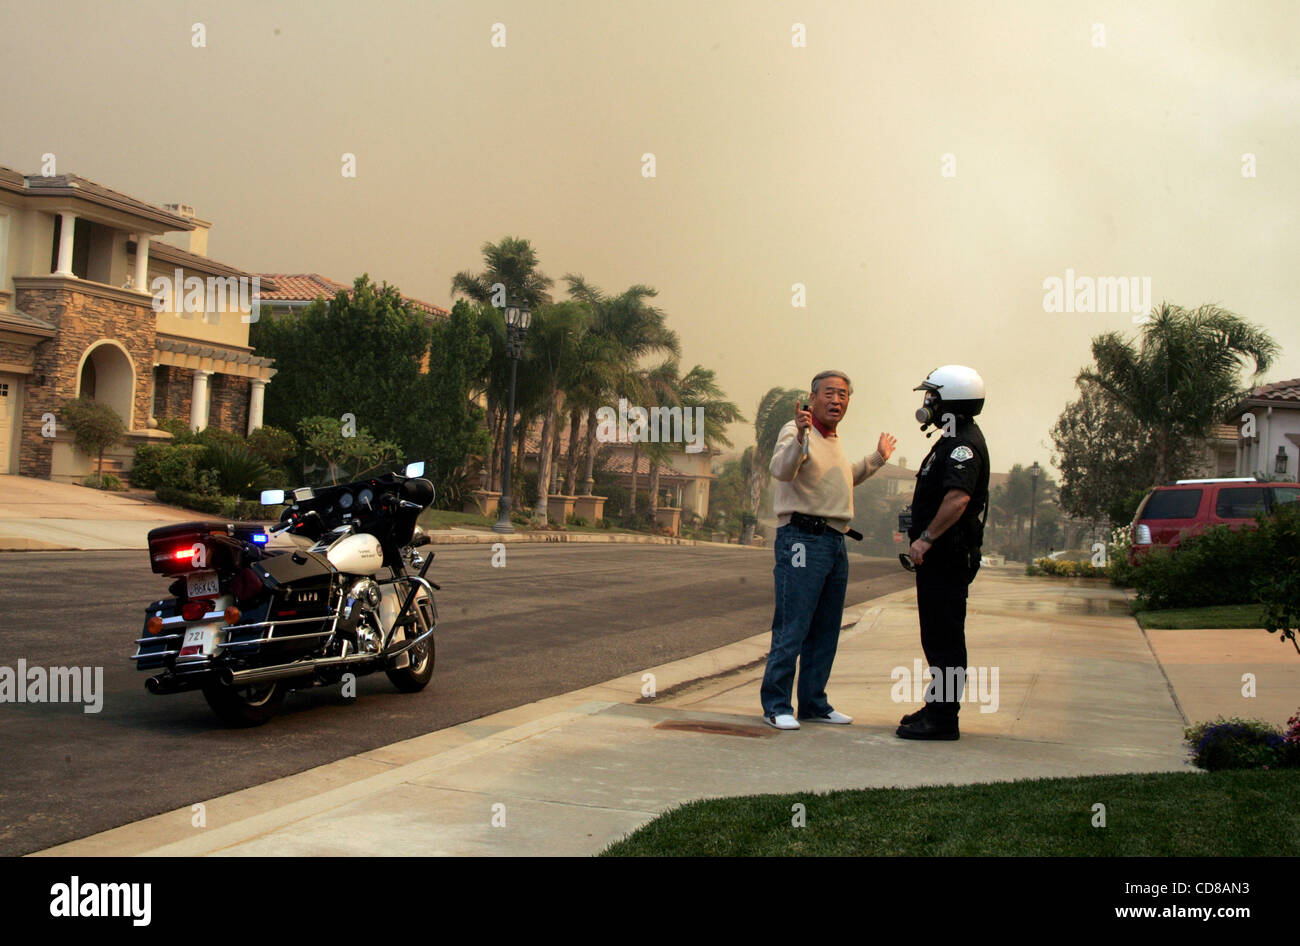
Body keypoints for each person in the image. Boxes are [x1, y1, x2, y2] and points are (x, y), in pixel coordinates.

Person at [760, 370, 897, 730]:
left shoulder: (833, 440)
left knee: (825, 628)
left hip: (834, 540)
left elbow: (844, 477)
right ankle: (776, 705)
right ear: (813, 397)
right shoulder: (797, 431)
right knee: (793, 624)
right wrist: (800, 435)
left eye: (843, 395)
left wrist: (878, 458)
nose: (836, 400)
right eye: (829, 393)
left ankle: (813, 704)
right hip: (802, 538)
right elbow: (781, 469)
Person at [897, 365, 990, 741]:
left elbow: (958, 499)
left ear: (951, 401)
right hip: (943, 556)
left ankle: (943, 718)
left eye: (932, 397)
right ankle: (937, 706)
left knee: (945, 638)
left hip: (948, 555)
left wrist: (926, 539)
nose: (927, 403)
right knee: (937, 636)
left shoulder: (962, 446)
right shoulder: (951, 439)